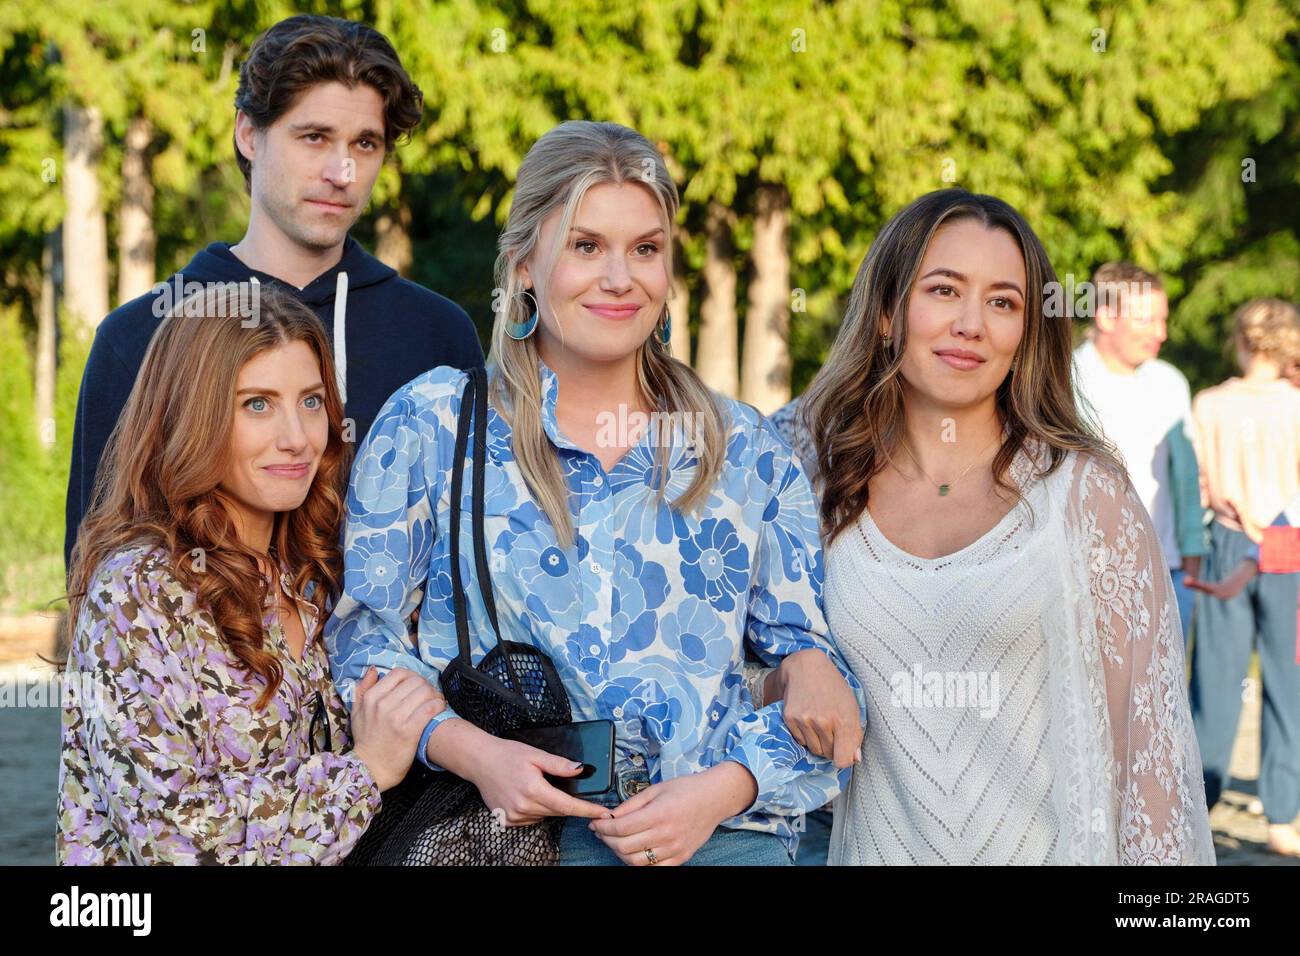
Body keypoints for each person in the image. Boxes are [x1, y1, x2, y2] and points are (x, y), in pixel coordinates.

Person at [327, 120, 865, 866]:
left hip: (718, 844)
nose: (621, 279)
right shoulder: (435, 424)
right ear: (521, 265)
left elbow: (828, 705)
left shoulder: (742, 451)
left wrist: (723, 790)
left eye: (645, 250)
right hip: (508, 839)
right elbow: (364, 642)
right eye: (586, 247)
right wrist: (477, 754)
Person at [779, 188, 1214, 864]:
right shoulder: (809, 474)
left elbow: (1148, 745)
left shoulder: (1085, 494)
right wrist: (793, 670)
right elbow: (726, 667)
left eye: (1003, 302)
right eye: (945, 290)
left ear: (1028, 331)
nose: (972, 324)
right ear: (890, 312)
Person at [65, 14, 483, 573]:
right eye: (314, 137)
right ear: (248, 133)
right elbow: (94, 577)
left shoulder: (438, 335)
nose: (343, 172)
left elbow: (470, 563)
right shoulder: (139, 335)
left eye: (366, 143)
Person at [57, 286, 443, 864]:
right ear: (192, 417)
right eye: (257, 404)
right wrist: (364, 772)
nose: (297, 438)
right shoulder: (139, 592)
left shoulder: (315, 573)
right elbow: (175, 845)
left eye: (311, 402)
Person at [1187, 298, 1300, 858]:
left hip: (1227, 542)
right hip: (1289, 543)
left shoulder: (1209, 403)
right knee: (1288, 681)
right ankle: (1282, 820)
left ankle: (1197, 809)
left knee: (1217, 681)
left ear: (1240, 341)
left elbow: (1201, 485)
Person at [1072, 263, 1206, 646]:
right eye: (1146, 320)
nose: (1160, 333)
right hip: (1090, 570)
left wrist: (1193, 546)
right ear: (1106, 316)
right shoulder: (1066, 380)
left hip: (1169, 567)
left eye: (1162, 320)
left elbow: (1186, 473)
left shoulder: (1170, 382)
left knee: (1163, 694)